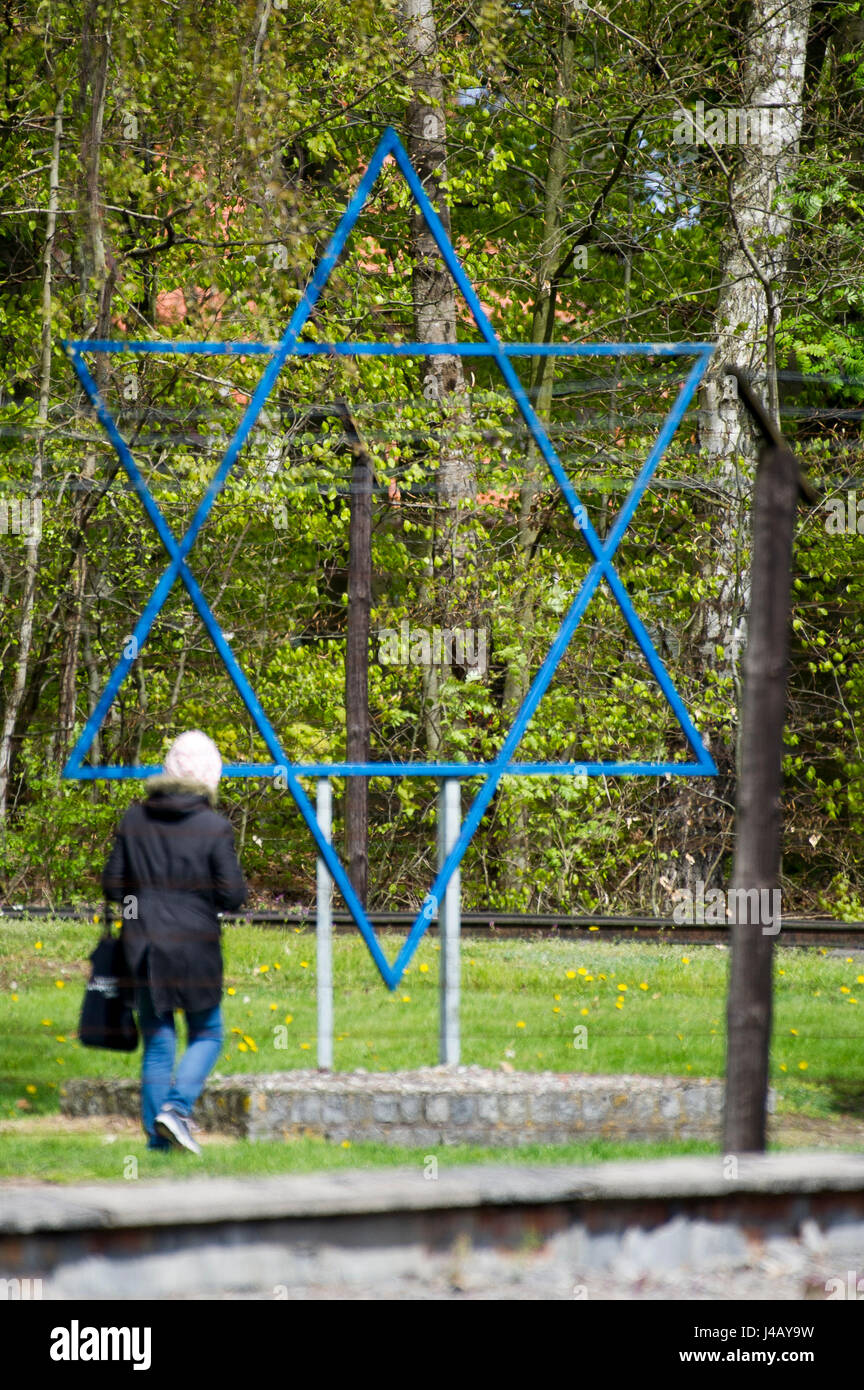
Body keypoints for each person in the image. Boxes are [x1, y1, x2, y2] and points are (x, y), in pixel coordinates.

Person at [102, 730, 246, 1154]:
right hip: (195, 946)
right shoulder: (214, 827)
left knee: (159, 1039)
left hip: (143, 947)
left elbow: (114, 886)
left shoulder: (134, 819)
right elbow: (233, 896)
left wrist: (136, 915)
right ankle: (178, 1110)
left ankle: (157, 1146)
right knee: (208, 1032)